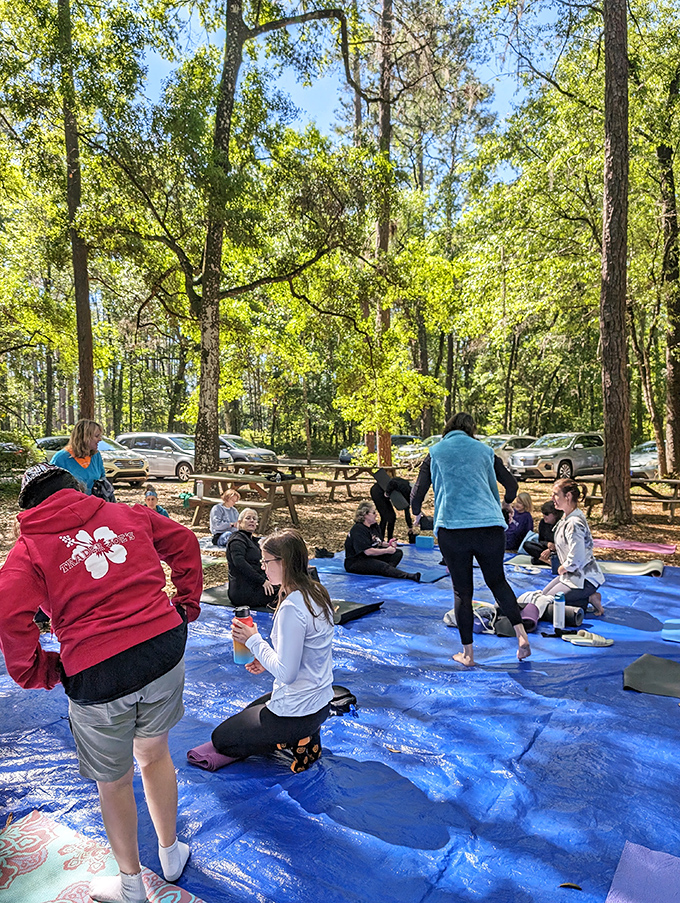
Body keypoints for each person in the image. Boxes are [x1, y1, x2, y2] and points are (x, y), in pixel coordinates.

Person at [0, 463, 203, 903]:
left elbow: (10, 618)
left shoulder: (29, 550)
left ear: (29, 508)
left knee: (113, 780)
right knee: (153, 754)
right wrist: (185, 602)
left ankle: (131, 885)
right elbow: (184, 541)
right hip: (162, 649)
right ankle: (170, 854)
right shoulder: (130, 514)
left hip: (96, 673)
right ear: (76, 489)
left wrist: (41, 670)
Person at [411, 412, 531, 666]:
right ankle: (521, 636)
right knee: (498, 582)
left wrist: (417, 514)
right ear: (471, 430)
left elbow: (416, 495)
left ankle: (467, 654)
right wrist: (507, 504)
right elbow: (511, 486)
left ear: (448, 428)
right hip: (489, 527)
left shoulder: (435, 452)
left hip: (453, 529)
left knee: (462, 592)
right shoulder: (485, 451)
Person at [212, 529, 334, 772]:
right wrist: (265, 659)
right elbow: (302, 656)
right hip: (321, 705)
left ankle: (292, 739)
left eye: (266, 562)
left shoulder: (292, 607)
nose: (263, 568)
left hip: (298, 711)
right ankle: (303, 736)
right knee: (249, 713)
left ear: (284, 562)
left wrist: (254, 640)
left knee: (222, 739)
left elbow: (287, 674)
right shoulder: (317, 592)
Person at [539, 478, 605, 614]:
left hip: (584, 578)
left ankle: (588, 596)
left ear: (568, 496)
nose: (552, 498)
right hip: (571, 575)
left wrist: (563, 567)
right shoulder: (566, 517)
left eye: (556, 494)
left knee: (547, 602)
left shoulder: (574, 523)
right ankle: (586, 599)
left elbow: (577, 557)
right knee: (543, 596)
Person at [344, 501, 421, 581]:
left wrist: (389, 544)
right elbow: (368, 551)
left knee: (397, 553)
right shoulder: (358, 529)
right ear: (365, 515)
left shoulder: (373, 526)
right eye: (373, 513)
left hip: (369, 557)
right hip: (356, 561)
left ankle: (386, 570)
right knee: (382, 565)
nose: (376, 515)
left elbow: (379, 542)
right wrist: (386, 551)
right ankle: (408, 576)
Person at [227, 508, 278, 609]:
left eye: (254, 519)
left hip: (256, 584)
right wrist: (262, 581)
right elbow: (240, 563)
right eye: (248, 518)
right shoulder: (237, 540)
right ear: (239, 522)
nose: (252, 521)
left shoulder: (253, 540)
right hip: (243, 591)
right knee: (284, 592)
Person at [51, 419, 106, 495]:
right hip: (71, 504)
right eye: (97, 436)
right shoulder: (60, 458)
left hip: (95, 503)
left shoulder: (96, 456)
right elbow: (51, 488)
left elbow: (103, 480)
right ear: (84, 437)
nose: (100, 439)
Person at [369, 476, 415, 541]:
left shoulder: (409, 495)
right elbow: (393, 482)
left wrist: (410, 527)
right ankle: (381, 539)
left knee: (391, 517)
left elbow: (407, 510)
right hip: (377, 491)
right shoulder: (405, 487)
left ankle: (388, 539)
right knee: (386, 517)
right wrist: (387, 492)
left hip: (384, 495)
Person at [523, 500, 562, 564]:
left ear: (555, 514)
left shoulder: (561, 525)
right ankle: (546, 561)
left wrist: (551, 549)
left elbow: (564, 544)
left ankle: (544, 560)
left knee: (536, 560)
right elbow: (541, 540)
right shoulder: (543, 523)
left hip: (558, 551)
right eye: (543, 513)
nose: (544, 516)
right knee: (527, 544)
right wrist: (547, 544)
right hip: (545, 549)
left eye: (546, 514)